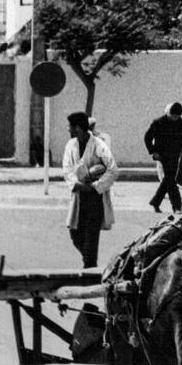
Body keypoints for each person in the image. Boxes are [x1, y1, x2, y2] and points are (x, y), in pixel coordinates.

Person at [62, 112, 118, 268]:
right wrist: (77, 184)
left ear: (78, 128)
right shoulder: (71, 145)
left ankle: (90, 267)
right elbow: (67, 169)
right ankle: (89, 262)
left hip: (95, 198)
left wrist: (96, 186)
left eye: (70, 126)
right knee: (75, 235)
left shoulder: (99, 145)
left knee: (91, 237)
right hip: (79, 195)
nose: (68, 129)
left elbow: (113, 170)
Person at [144, 102, 182, 214]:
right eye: (174, 115)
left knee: (168, 179)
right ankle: (177, 207)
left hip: (175, 154)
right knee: (171, 180)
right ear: (169, 113)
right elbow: (147, 137)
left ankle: (156, 202)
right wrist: (153, 151)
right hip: (162, 155)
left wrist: (181, 149)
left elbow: (181, 136)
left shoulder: (179, 121)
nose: (175, 118)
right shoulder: (158, 122)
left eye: (178, 116)